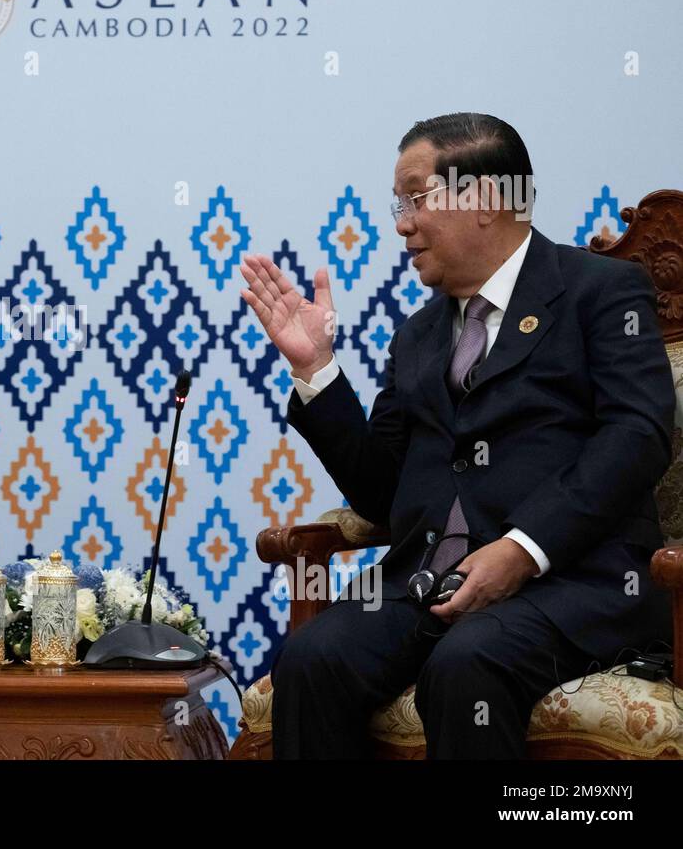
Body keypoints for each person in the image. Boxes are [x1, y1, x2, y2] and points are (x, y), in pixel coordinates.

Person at [240, 112, 674, 758]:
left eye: (417, 197)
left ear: (485, 199)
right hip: (425, 583)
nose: (402, 222)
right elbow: (380, 495)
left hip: (570, 581)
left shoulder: (600, 294)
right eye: (399, 202)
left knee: (468, 662)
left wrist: (523, 549)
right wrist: (316, 371)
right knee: (313, 656)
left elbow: (636, 436)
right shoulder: (418, 335)